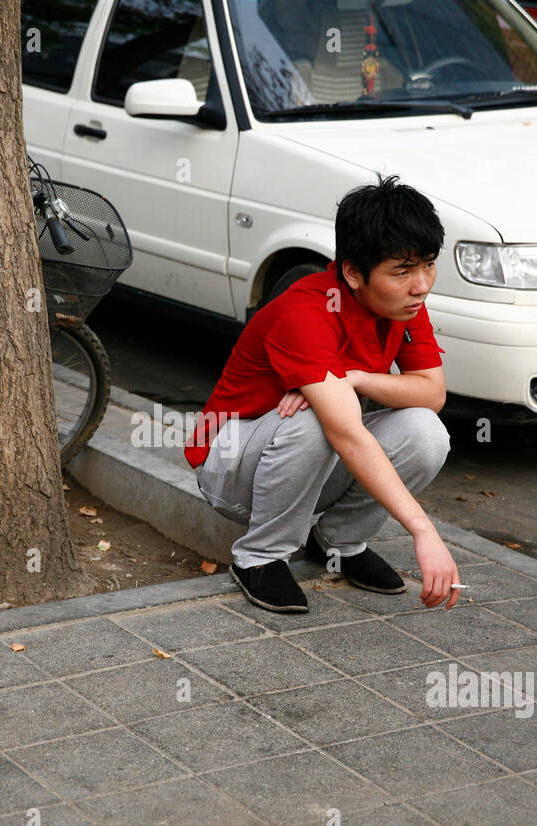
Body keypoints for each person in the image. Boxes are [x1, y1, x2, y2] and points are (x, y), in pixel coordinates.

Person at [186, 174, 461, 614]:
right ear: (353, 272)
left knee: (425, 429)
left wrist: (355, 377)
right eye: (403, 271)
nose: (421, 284)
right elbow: (347, 434)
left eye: (428, 264)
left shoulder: (403, 303)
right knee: (318, 417)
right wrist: (423, 532)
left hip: (303, 461)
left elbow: (431, 394)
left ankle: (339, 544)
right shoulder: (307, 311)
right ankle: (259, 556)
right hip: (231, 464)